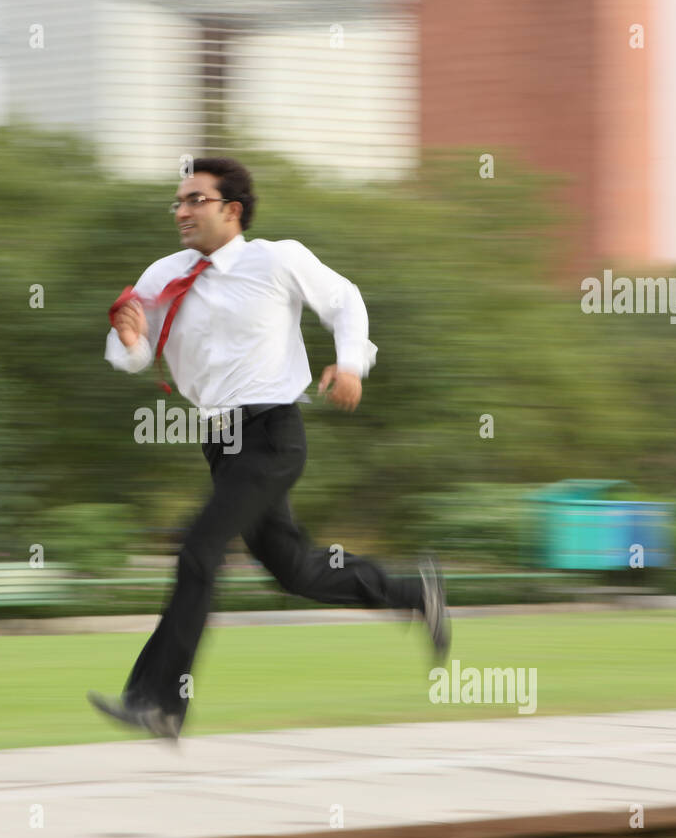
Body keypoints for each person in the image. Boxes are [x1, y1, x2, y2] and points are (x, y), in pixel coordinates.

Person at [88, 157, 450, 741]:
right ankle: (414, 594)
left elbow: (345, 300)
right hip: (220, 442)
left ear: (231, 210)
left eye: (194, 200)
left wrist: (351, 364)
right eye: (177, 202)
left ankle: (159, 702)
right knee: (295, 569)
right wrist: (128, 340)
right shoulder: (163, 275)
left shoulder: (276, 259)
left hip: (271, 434)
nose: (180, 211)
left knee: (198, 551)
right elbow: (132, 351)